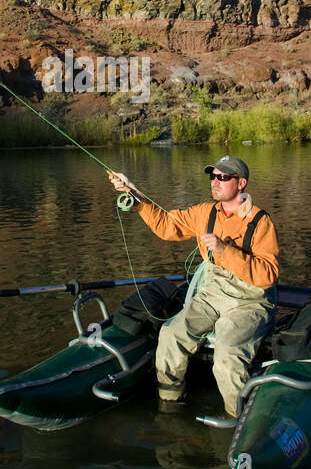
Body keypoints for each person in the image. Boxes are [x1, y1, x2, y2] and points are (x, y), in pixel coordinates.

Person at [107, 156, 278, 418]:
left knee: (228, 356)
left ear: (240, 183)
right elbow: (166, 225)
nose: (216, 182)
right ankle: (170, 404)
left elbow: (268, 275)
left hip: (250, 302)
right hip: (212, 294)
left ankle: (240, 422)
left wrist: (225, 250)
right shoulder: (204, 213)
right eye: (213, 176)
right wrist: (132, 191)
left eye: (223, 177)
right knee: (170, 335)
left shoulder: (260, 222)